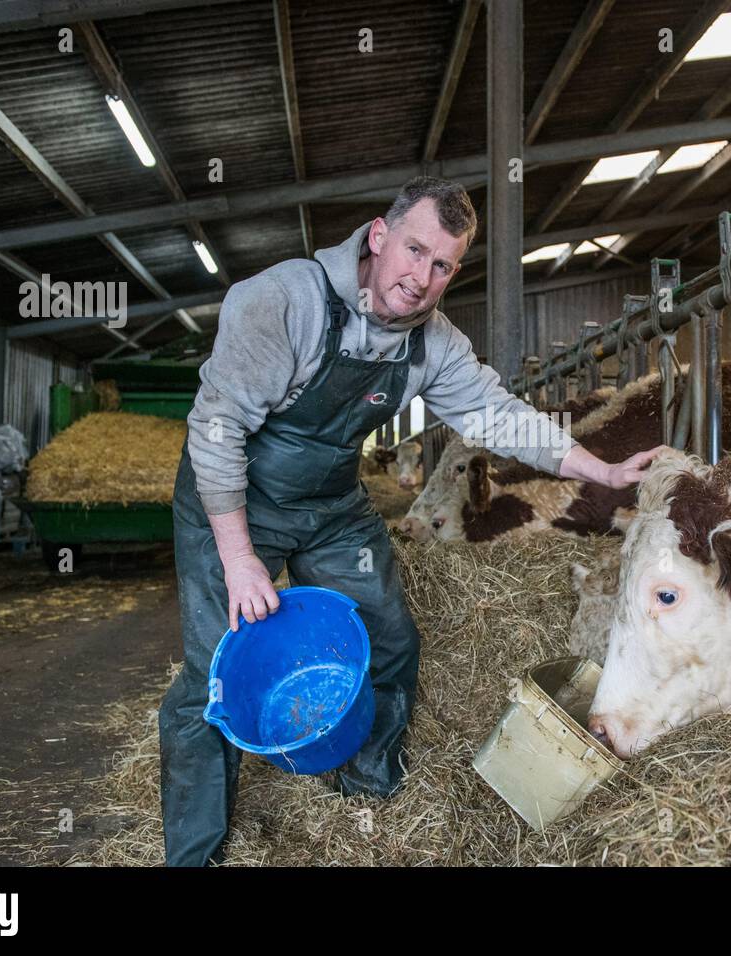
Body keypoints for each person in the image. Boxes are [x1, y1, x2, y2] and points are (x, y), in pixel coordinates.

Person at [158, 176, 665, 866]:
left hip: (332, 505)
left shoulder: (432, 342)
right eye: (414, 250)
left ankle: (366, 782)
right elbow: (215, 433)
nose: (421, 278)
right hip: (234, 501)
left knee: (390, 636)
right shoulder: (283, 302)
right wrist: (241, 558)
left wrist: (597, 470)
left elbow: (497, 415)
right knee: (214, 674)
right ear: (377, 236)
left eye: (442, 266)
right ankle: (197, 851)